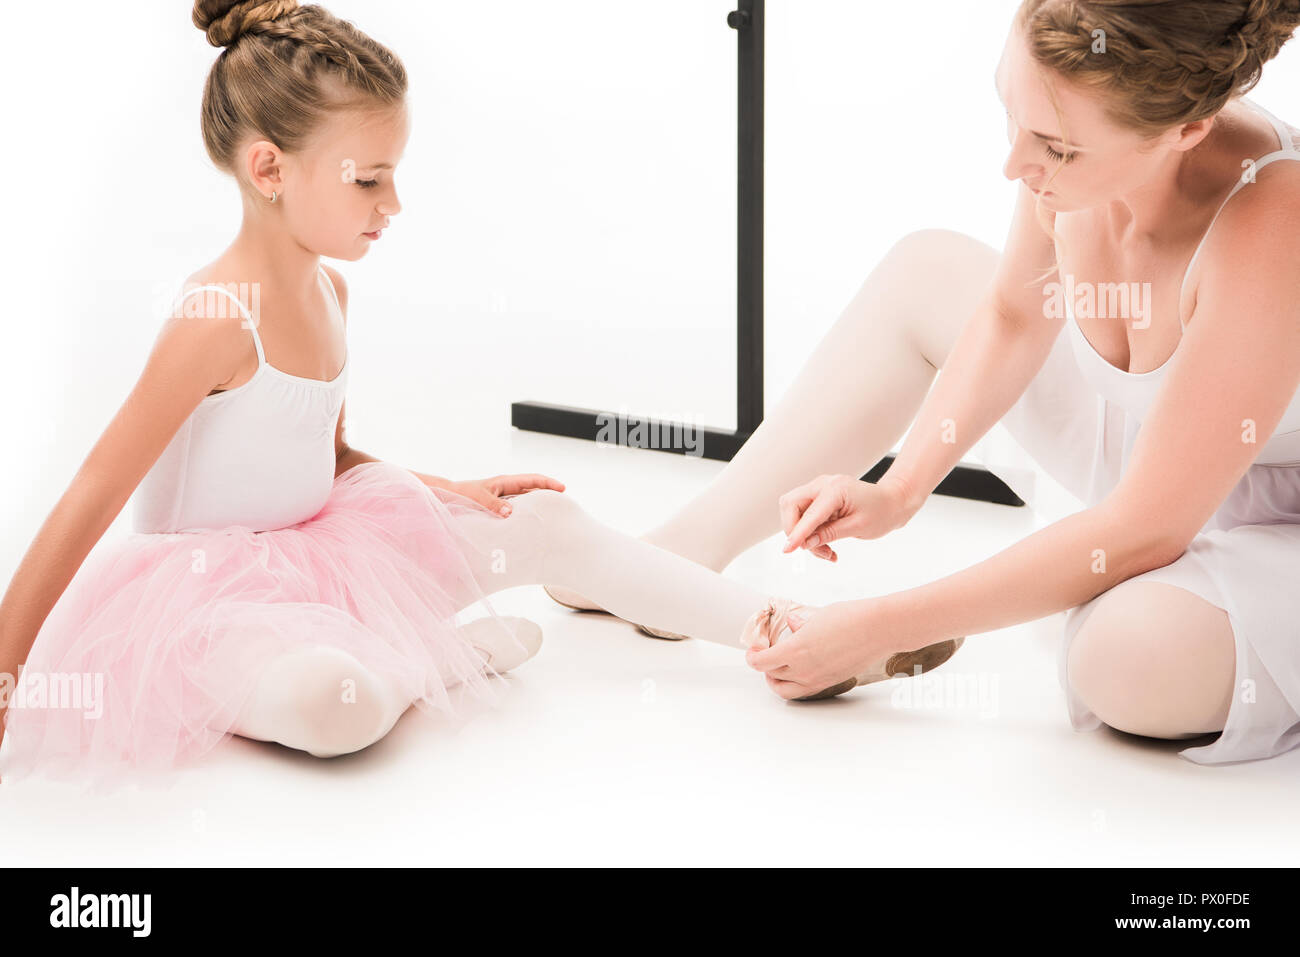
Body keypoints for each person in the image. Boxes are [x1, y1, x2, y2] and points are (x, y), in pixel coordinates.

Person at [0, 0, 955, 792]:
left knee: (551, 519)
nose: (393, 204)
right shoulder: (216, 315)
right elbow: (93, 491)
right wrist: (7, 668)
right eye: (368, 178)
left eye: (395, 175)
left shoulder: (329, 290)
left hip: (323, 550)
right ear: (268, 170)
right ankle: (449, 652)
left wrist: (442, 486)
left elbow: (324, 458)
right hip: (208, 600)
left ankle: (786, 632)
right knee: (335, 707)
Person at [548, 0, 1300, 765]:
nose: (1015, 164)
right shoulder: (1074, 127)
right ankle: (683, 552)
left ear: (1186, 133)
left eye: (1055, 147)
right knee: (928, 268)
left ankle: (1107, 603)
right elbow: (1012, 315)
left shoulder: (1271, 217)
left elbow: (1149, 523)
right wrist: (899, 489)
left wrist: (882, 625)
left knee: (1128, 661)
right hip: (1150, 450)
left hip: (1272, 521)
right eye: (1013, 115)